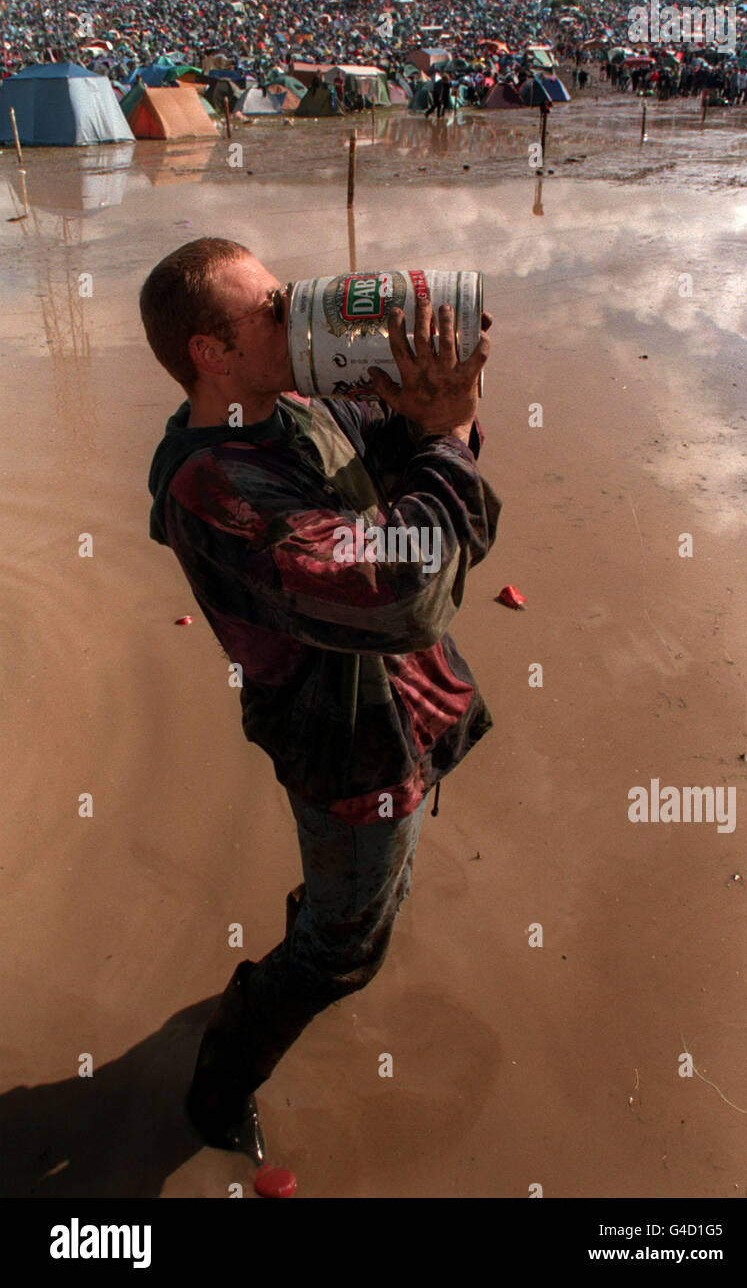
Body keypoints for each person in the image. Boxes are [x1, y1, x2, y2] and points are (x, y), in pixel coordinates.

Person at [140, 240, 500, 1163]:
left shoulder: (295, 407)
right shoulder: (213, 487)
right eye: (268, 307)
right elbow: (403, 588)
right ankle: (216, 1089)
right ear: (209, 356)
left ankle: (319, 913)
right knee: (344, 951)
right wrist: (447, 436)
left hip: (400, 712)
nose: (296, 309)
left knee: (353, 891)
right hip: (347, 748)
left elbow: (420, 469)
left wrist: (438, 395)